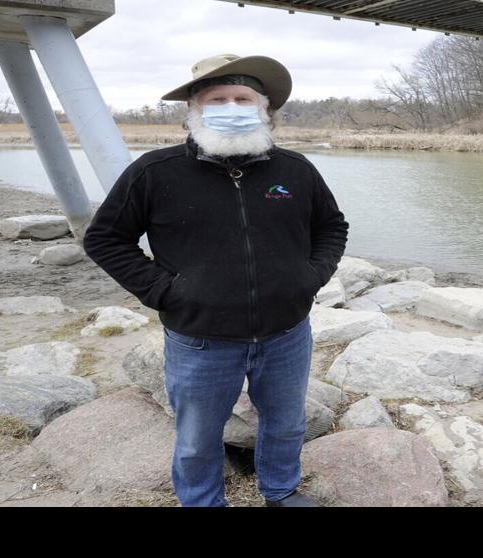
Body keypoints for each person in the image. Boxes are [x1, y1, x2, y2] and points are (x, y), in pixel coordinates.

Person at [83, 54, 348, 507]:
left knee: (286, 424)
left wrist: (310, 277)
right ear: (193, 110)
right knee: (196, 438)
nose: (231, 107)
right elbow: (105, 239)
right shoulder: (154, 172)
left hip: (286, 333)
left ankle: (281, 492)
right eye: (216, 99)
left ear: (264, 109)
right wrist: (166, 291)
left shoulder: (296, 170)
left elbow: (332, 227)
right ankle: (203, 502)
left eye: (242, 98)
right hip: (200, 339)